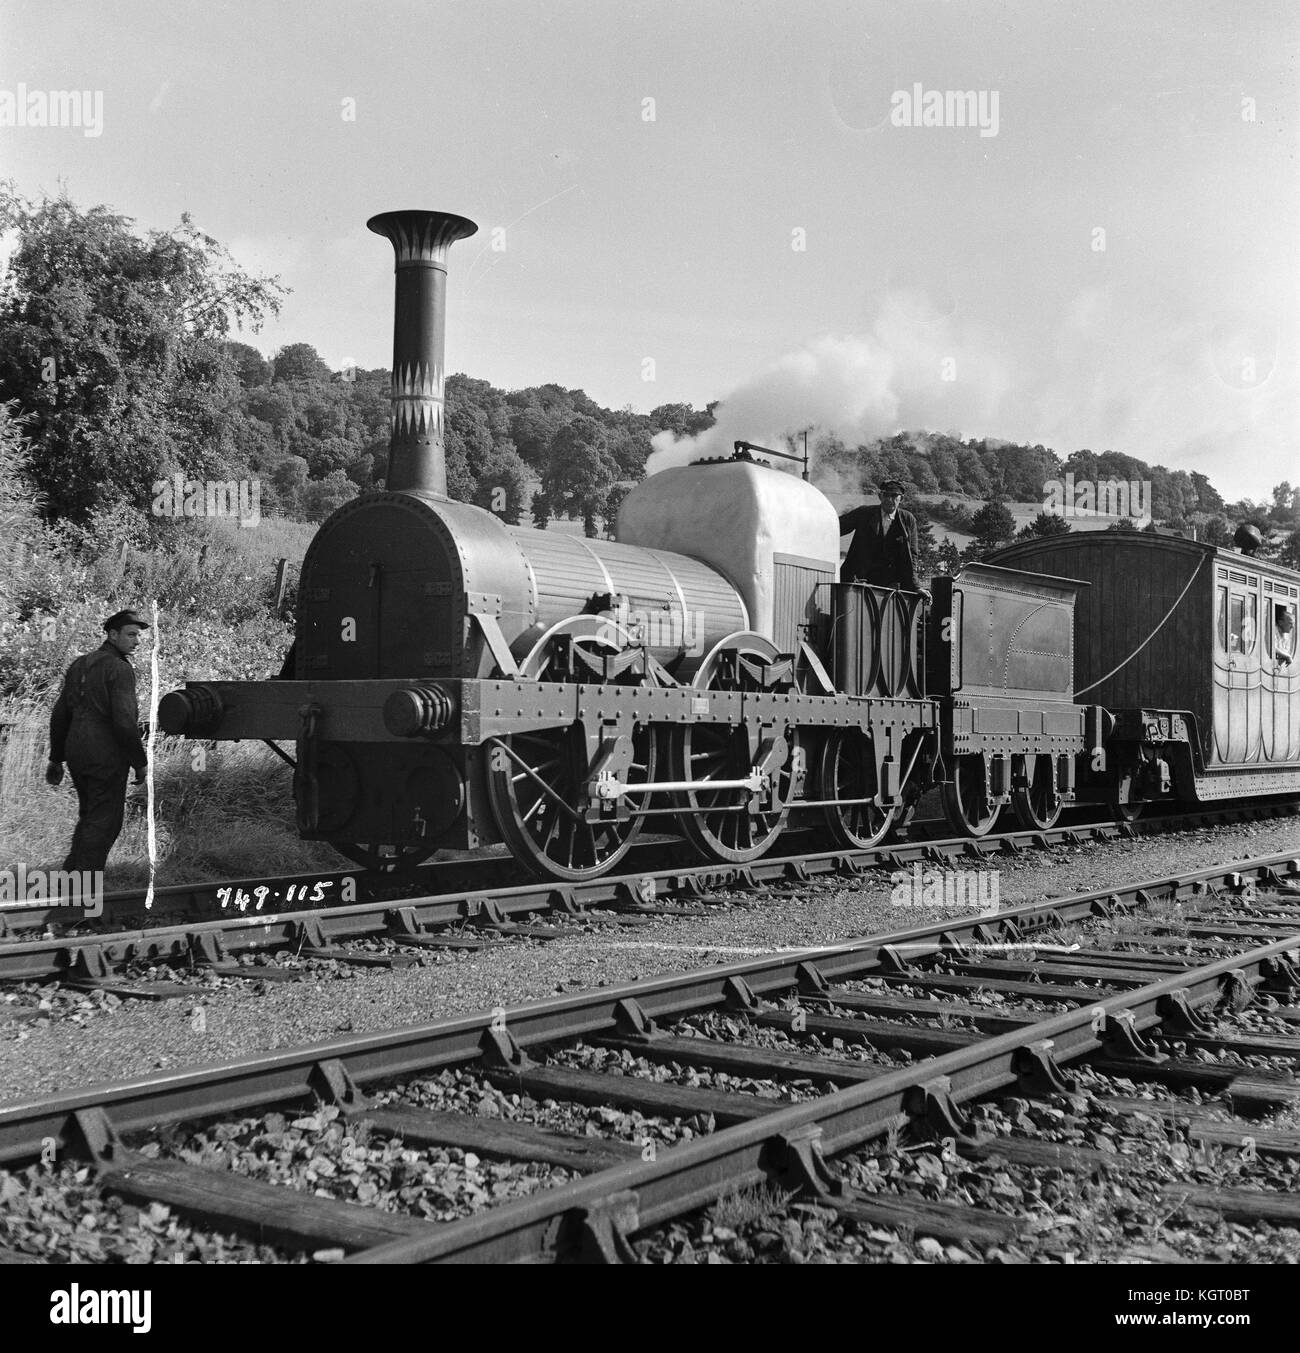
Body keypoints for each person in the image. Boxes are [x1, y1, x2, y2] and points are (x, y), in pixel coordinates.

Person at [46, 609, 150, 873]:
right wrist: (140, 762)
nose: (136, 641)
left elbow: (60, 714)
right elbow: (124, 721)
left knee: (90, 816)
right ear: (113, 635)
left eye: (138, 636)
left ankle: (71, 877)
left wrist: (56, 757)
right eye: (130, 635)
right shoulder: (120, 669)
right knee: (105, 822)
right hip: (105, 755)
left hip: (76, 751)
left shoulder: (79, 664)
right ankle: (82, 895)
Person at [838, 479, 931, 599]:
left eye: (894, 496)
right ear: (880, 496)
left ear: (901, 499)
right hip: (857, 581)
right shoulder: (864, 513)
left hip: (887, 585)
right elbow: (836, 527)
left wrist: (916, 587)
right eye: (886, 495)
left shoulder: (908, 520)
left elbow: (912, 556)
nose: (889, 499)